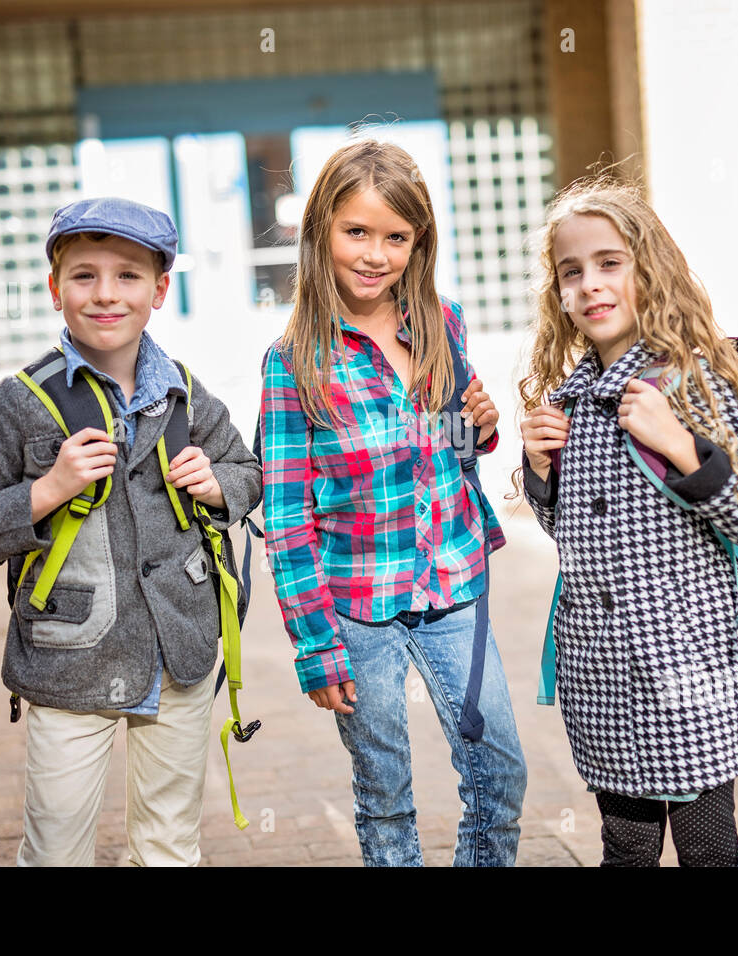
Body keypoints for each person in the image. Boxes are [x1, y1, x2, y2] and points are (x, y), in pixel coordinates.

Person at [0, 197, 262, 866]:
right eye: (84, 276)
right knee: (56, 848)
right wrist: (46, 491)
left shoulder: (186, 395)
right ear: (56, 290)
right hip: (68, 661)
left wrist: (218, 483)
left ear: (160, 290)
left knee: (168, 844)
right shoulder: (23, 400)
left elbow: (250, 473)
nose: (106, 294)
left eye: (128, 276)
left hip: (182, 653)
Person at [517, 176, 738, 866]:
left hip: (691, 670)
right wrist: (539, 472)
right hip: (601, 676)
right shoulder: (571, 401)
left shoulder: (700, 382)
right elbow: (573, 538)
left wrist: (682, 447)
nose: (591, 284)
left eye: (610, 263)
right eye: (572, 271)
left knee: (709, 851)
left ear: (650, 269)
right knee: (626, 849)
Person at [259, 139, 527, 866]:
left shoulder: (445, 323)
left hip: (454, 589)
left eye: (396, 237)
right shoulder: (295, 363)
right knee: (386, 795)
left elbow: (455, 445)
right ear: (321, 234)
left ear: (419, 241)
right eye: (357, 232)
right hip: (356, 609)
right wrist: (315, 646)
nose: (375, 253)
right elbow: (285, 519)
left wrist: (484, 426)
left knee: (500, 772)